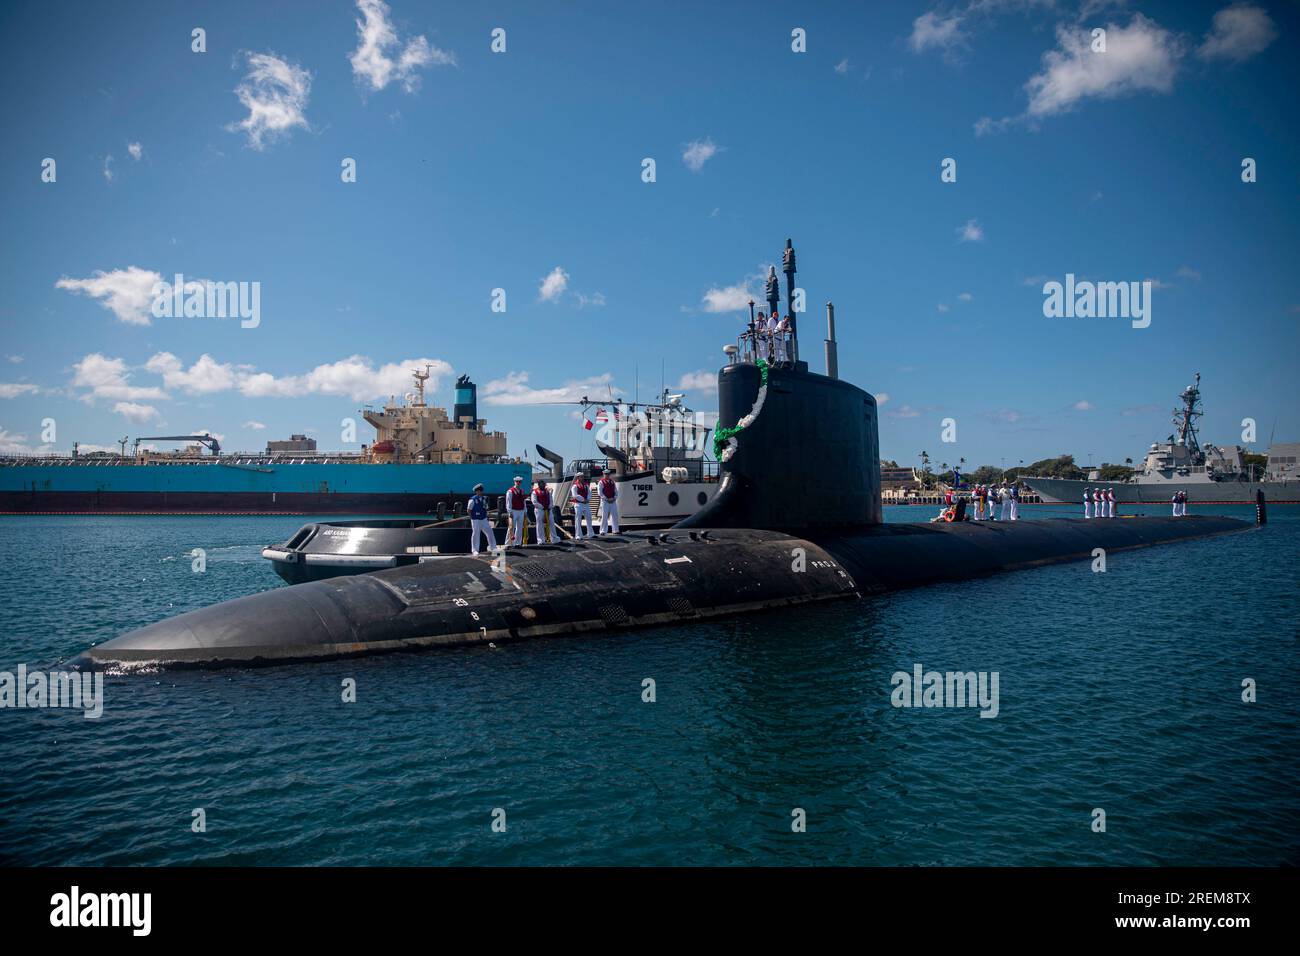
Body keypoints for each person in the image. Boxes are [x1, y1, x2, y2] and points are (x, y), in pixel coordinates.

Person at [468, 483, 494, 556]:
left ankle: (493, 547)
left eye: (481, 490)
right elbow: (469, 510)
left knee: (489, 532)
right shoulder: (472, 500)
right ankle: (475, 550)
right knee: (476, 534)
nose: (481, 492)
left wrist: (486, 515)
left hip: (483, 519)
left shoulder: (483, 499)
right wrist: (472, 518)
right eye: (480, 490)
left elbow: (486, 508)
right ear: (476, 491)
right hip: (475, 519)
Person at [506, 476, 528, 545]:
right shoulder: (510, 491)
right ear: (514, 482)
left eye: (519, 482)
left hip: (521, 511)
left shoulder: (522, 491)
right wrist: (510, 511)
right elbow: (508, 502)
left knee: (519, 528)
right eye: (517, 481)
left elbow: (523, 502)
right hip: (514, 511)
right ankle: (508, 543)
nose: (518, 483)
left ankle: (517, 543)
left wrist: (525, 511)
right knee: (511, 527)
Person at [532, 480, 556, 544]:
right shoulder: (535, 492)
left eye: (544, 484)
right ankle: (541, 540)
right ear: (539, 485)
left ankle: (554, 538)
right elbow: (534, 502)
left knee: (552, 523)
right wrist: (542, 507)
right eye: (542, 484)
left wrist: (549, 507)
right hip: (539, 510)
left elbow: (551, 500)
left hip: (548, 510)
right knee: (540, 525)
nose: (543, 485)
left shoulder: (547, 492)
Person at [570, 473, 593, 539]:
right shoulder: (575, 486)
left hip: (586, 504)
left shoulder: (586, 485)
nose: (583, 478)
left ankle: (590, 533)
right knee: (578, 519)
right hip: (578, 504)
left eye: (583, 477)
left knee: (589, 518)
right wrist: (583, 500)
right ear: (578, 478)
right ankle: (578, 535)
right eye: (581, 477)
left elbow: (589, 493)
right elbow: (575, 495)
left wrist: (587, 499)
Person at [598, 467, 620, 534]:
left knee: (615, 516)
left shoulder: (612, 482)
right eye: (605, 474)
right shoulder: (601, 482)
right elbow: (600, 493)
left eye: (608, 474)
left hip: (612, 501)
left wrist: (614, 498)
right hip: (605, 501)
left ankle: (615, 530)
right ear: (603, 474)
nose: (607, 475)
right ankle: (603, 531)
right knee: (604, 516)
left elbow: (616, 491)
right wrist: (607, 499)